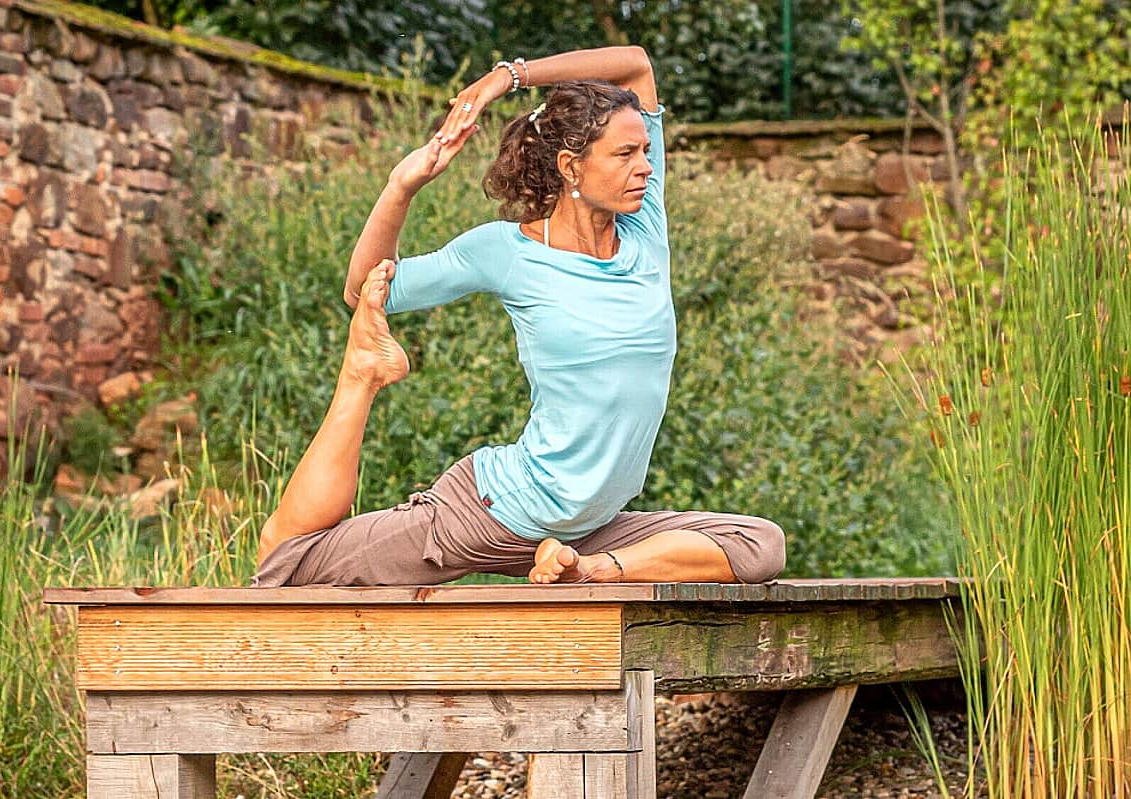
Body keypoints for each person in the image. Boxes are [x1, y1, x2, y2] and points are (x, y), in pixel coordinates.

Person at [252, 46, 786, 587]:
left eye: (646, 151)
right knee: (286, 568)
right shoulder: (507, 252)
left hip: (586, 533)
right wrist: (402, 187)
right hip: (487, 513)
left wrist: (507, 79)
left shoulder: (644, 227)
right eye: (625, 154)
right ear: (571, 166)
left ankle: (588, 571)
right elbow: (365, 289)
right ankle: (360, 376)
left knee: (759, 545)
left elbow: (637, 65)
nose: (646, 167)